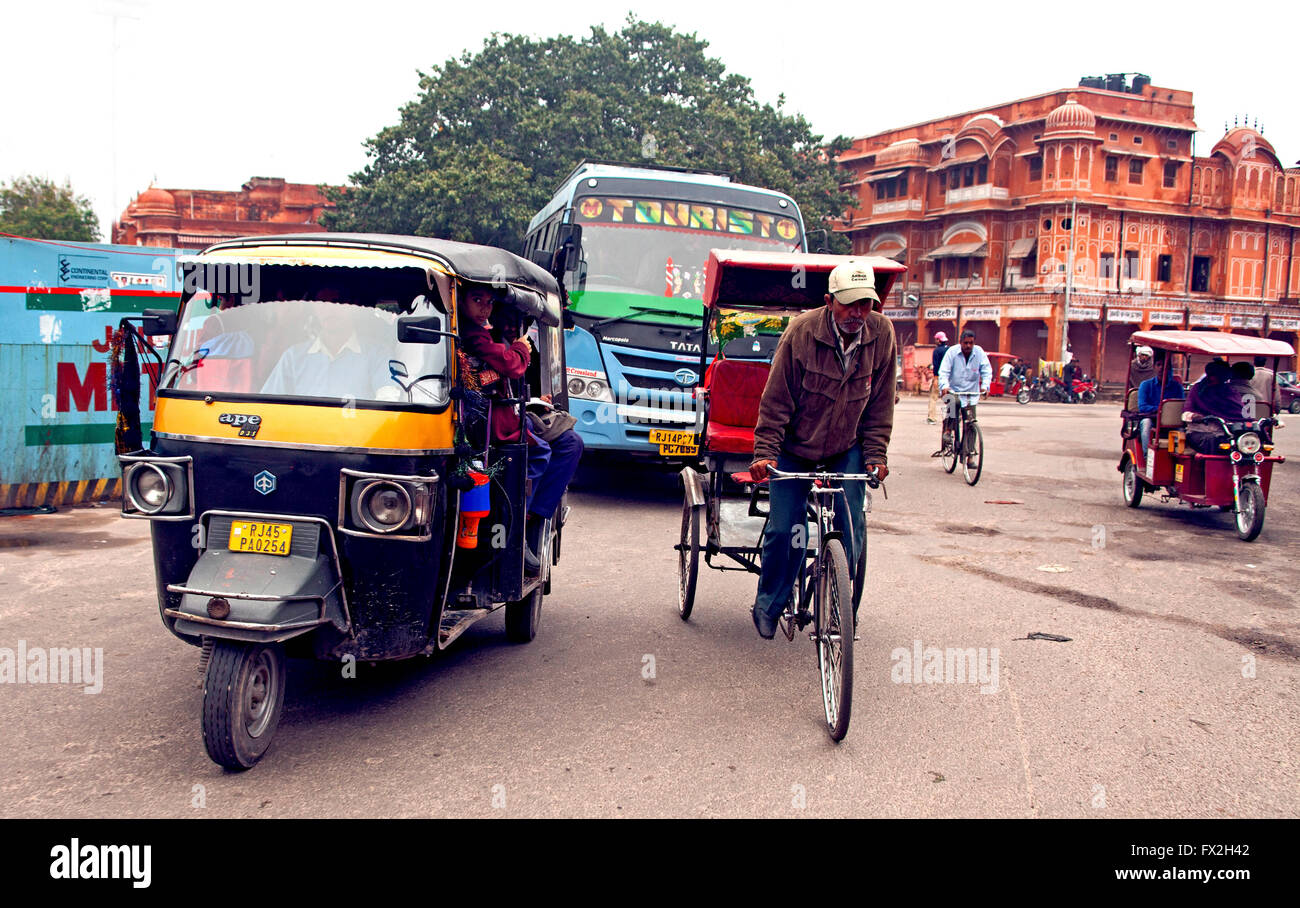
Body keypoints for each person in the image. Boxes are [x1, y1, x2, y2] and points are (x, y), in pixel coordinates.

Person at [748, 260, 896, 639]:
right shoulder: (801, 332)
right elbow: (775, 400)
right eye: (849, 305)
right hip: (796, 447)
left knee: (853, 526)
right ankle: (769, 603)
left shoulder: (882, 334)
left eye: (865, 304)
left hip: (846, 446)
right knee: (786, 529)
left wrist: (877, 456)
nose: (858, 313)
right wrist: (765, 452)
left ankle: (842, 608)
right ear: (829, 301)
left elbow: (880, 405)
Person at [457, 283, 583, 573]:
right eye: (478, 301)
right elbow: (510, 368)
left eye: (489, 303)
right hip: (492, 421)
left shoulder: (500, 339)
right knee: (539, 452)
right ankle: (518, 522)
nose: (485, 309)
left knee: (571, 444)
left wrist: (539, 398)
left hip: (518, 412)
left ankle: (535, 514)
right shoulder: (476, 337)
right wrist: (519, 351)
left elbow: (509, 376)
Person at [260, 290, 397, 399]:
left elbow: (388, 400)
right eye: (322, 303)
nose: (330, 310)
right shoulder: (293, 357)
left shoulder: (378, 354)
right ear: (313, 308)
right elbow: (268, 405)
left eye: (337, 302)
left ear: (352, 306)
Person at [935, 328, 991, 459]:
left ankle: (969, 454)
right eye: (966, 343)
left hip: (971, 393)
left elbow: (986, 370)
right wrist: (945, 386)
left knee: (971, 423)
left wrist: (985, 386)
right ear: (960, 342)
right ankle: (948, 430)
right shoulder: (952, 352)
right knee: (955, 402)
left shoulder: (979, 352)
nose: (968, 346)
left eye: (971, 343)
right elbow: (944, 372)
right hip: (952, 390)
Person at [1183, 359, 1244, 453]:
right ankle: (1209, 467)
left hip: (1227, 430)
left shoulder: (1230, 391)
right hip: (1200, 431)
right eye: (1215, 375)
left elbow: (1239, 412)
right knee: (1213, 441)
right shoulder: (1198, 389)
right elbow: (1186, 412)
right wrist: (1196, 417)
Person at [1136, 353, 1185, 449]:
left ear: (1170, 369)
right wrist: (1161, 409)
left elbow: (1180, 406)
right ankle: (1147, 457)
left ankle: (1177, 457)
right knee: (1146, 424)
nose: (1162, 368)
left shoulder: (1177, 387)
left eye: (1165, 365)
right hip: (1152, 419)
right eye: (1159, 365)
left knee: (1183, 431)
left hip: (1171, 421)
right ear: (1154, 367)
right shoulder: (1145, 385)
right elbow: (1143, 407)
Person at [927, 332, 949, 424]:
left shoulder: (937, 351)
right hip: (949, 378)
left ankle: (932, 418)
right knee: (949, 398)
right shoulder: (949, 349)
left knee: (933, 397)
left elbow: (936, 366)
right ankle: (950, 417)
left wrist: (935, 379)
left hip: (939, 376)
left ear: (938, 340)